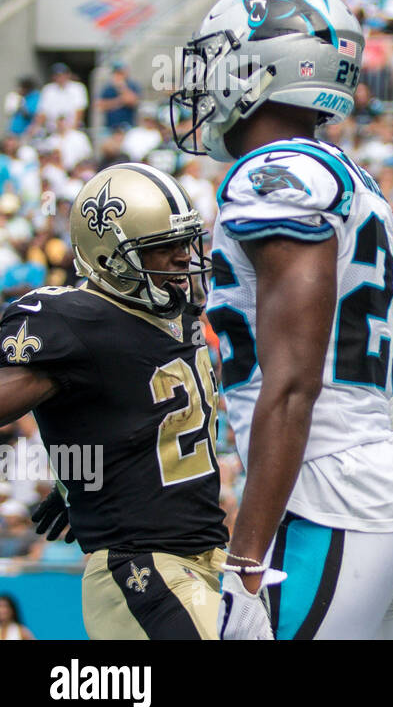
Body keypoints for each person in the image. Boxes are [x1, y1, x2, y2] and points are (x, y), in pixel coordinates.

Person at [171, 0, 393, 639]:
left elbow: (294, 383)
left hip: (329, 494)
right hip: (362, 489)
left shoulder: (275, 175)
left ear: (263, 65)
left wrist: (245, 560)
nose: (205, 77)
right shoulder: (342, 172)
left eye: (219, 58)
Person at [0, 164, 227, 639]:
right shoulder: (77, 320)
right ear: (109, 257)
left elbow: (126, 408)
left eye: (185, 242)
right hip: (143, 564)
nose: (183, 258)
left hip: (207, 557)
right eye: (163, 247)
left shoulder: (176, 314)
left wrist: (82, 477)